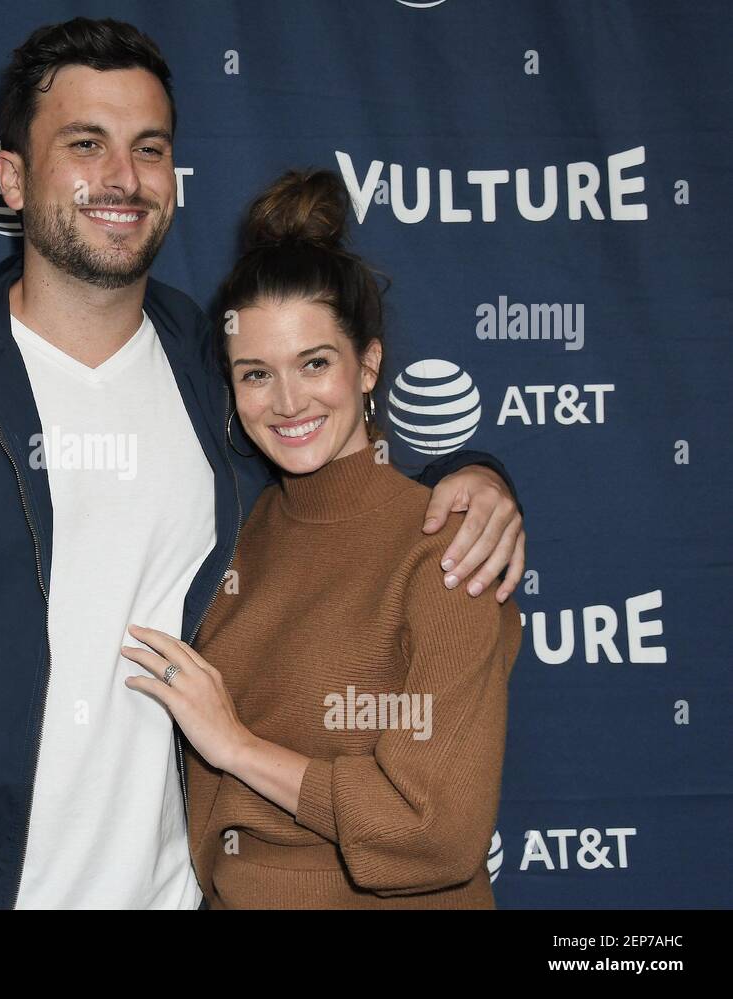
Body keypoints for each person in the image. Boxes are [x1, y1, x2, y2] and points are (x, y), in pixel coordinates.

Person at [0, 17, 525, 911]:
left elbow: (333, 471)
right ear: (11, 176)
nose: (122, 178)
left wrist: (473, 474)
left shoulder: (216, 365)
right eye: (87, 144)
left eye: (148, 149)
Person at [123, 167, 524, 908]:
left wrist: (237, 745)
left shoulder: (446, 544)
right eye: (255, 373)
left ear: (368, 364)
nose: (287, 401)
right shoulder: (227, 535)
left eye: (315, 363)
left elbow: (433, 828)